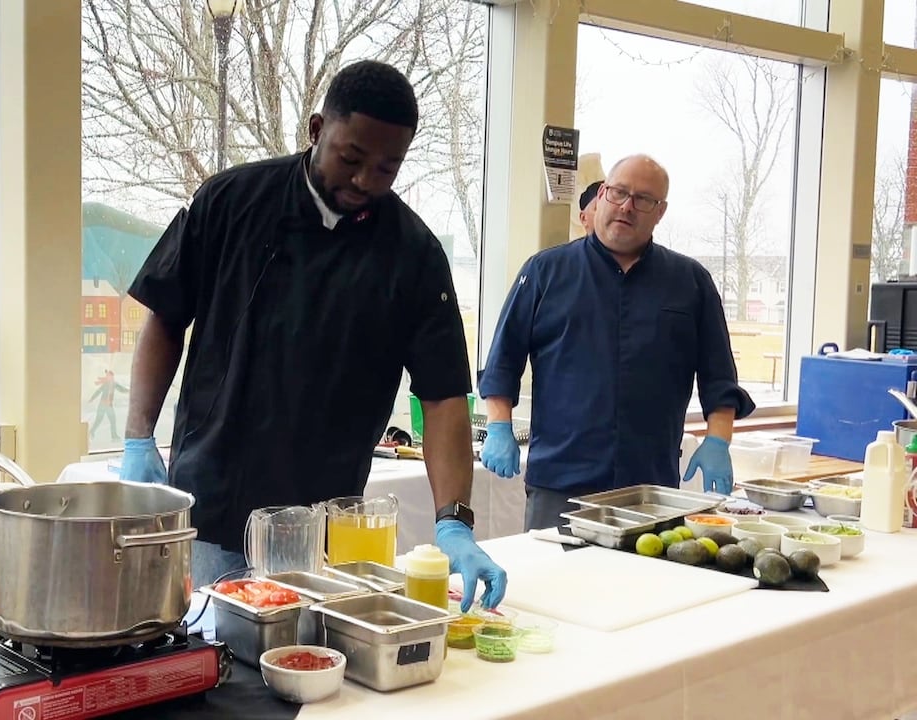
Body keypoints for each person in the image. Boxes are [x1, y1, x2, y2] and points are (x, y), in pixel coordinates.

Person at [120, 60, 506, 611]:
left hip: (327, 515)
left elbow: (443, 396)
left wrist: (454, 521)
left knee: (314, 661)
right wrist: (139, 436)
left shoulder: (413, 254)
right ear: (316, 128)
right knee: (220, 655)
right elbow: (163, 316)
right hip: (216, 496)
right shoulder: (230, 201)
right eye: (351, 158)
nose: (365, 181)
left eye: (387, 168)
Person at [478, 154, 755, 531]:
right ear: (602, 194)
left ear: (660, 212)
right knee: (552, 588)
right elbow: (503, 361)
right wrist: (498, 426)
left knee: (641, 588)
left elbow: (719, 377)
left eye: (643, 199)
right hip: (561, 484)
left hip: (650, 489)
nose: (627, 206)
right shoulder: (545, 272)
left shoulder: (690, 283)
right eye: (618, 193)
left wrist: (718, 441)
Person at [89, 370, 126, 442]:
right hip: (103, 405)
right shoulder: (106, 384)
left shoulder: (114, 384)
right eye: (107, 376)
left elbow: (122, 389)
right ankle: (92, 431)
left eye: (109, 376)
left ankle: (114, 436)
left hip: (108, 405)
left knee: (112, 420)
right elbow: (98, 391)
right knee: (99, 420)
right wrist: (92, 398)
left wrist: (130, 390)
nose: (108, 377)